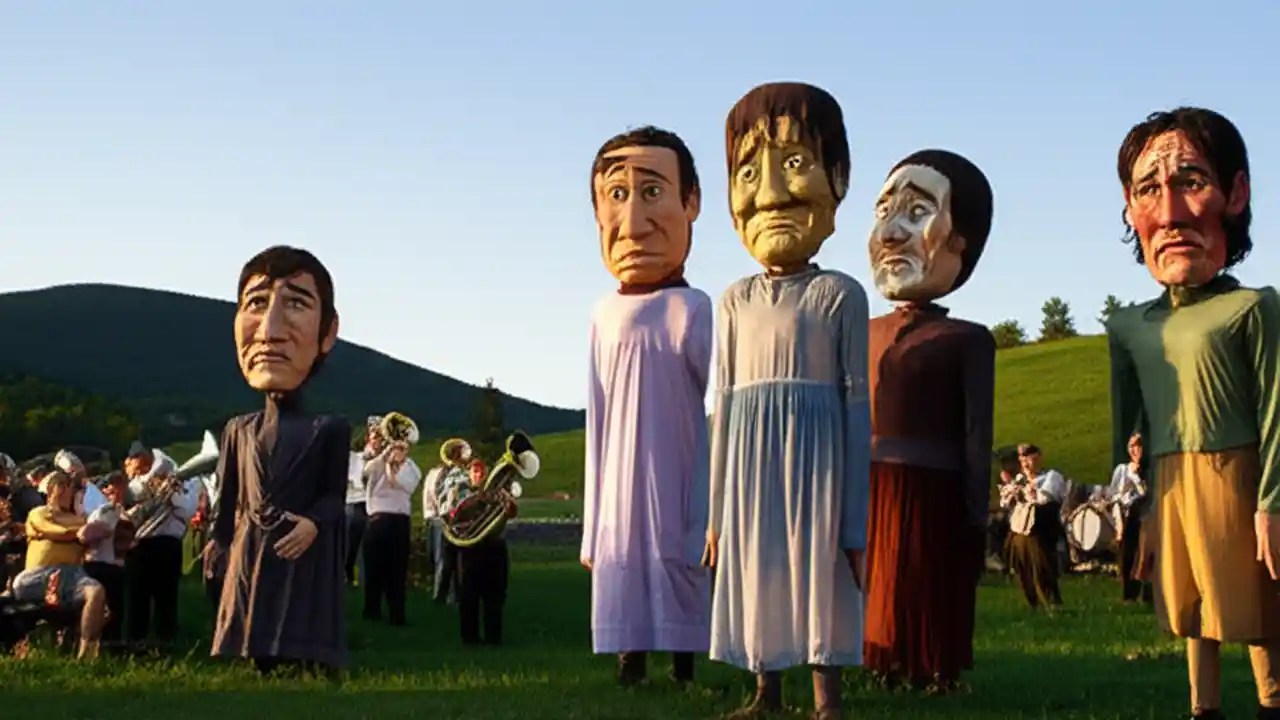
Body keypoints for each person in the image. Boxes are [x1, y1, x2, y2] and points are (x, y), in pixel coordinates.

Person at [1106, 107, 1280, 720]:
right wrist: (1139, 504)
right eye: (1149, 189)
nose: (1172, 214)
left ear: (1235, 192)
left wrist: (1272, 502)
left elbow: (1277, 409)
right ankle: (1201, 707)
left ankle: (1271, 699)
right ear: (1131, 208)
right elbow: (1129, 425)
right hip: (1170, 481)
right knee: (1191, 604)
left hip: (1239, 473)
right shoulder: (1129, 326)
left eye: (1191, 181)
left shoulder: (1253, 307)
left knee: (1256, 601)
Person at [704, 81, 869, 720]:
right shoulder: (735, 299)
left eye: (795, 164)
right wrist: (716, 511)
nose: (770, 191)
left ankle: (828, 698)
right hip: (748, 456)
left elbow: (857, 404)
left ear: (837, 178)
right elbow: (723, 400)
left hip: (816, 456)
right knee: (758, 565)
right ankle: (765, 687)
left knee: (822, 566)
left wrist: (854, 515)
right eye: (749, 172)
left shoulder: (840, 295)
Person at [581, 124, 712, 688]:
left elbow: (722, 405)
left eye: (653, 191)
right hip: (615, 478)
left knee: (675, 559)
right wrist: (590, 524)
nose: (632, 220)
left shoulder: (695, 308)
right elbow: (596, 413)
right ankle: (628, 659)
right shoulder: (602, 314)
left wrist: (713, 504)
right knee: (622, 562)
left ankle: (684, 663)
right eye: (615, 195)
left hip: (678, 468)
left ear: (691, 203)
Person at [862, 149, 995, 692]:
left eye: (917, 212)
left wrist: (974, 509)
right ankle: (880, 660)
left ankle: (933, 666)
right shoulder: (860, 331)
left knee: (929, 577)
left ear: (959, 237)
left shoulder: (967, 339)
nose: (891, 232)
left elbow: (976, 431)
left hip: (935, 488)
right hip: (870, 484)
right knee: (878, 582)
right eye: (884, 211)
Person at [205, 244, 349, 675]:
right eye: (256, 304)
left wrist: (313, 523)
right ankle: (256, 652)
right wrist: (218, 538)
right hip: (252, 541)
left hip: (300, 542)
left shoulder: (330, 427)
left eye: (297, 304)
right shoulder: (238, 429)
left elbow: (333, 493)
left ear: (327, 332)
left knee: (302, 599)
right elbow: (227, 495)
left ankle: (308, 654)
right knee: (253, 598)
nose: (269, 330)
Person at [10, 471, 107, 660]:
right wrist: (81, 533)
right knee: (21, 585)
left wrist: (91, 529)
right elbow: (56, 532)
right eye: (60, 486)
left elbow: (100, 531)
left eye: (69, 488)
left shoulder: (80, 518)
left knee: (96, 592)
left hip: (73, 575)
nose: (65, 492)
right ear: (49, 490)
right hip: (38, 575)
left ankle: (86, 655)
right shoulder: (39, 513)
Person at [125, 450, 199, 650]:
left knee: (166, 595)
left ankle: (165, 641)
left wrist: (170, 492)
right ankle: (135, 641)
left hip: (168, 545)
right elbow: (131, 500)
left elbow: (187, 511)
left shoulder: (183, 487)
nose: (152, 473)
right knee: (138, 595)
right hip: (141, 544)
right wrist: (154, 489)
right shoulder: (136, 485)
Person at [361, 428, 421, 625]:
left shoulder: (412, 468)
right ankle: (372, 611)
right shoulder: (377, 463)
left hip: (399, 521)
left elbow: (405, 486)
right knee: (373, 569)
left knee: (397, 570)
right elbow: (366, 473)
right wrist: (385, 456)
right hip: (377, 520)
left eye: (403, 447)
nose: (399, 450)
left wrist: (397, 465)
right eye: (397, 446)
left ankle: (397, 614)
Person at [455, 457, 516, 646]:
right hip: (470, 547)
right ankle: (469, 639)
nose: (478, 475)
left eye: (481, 472)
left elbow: (512, 512)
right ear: (469, 474)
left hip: (494, 546)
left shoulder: (498, 493)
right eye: (475, 472)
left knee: (495, 595)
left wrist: (508, 504)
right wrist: (478, 499)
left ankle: (494, 638)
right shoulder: (461, 493)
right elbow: (454, 515)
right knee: (468, 595)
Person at [1002, 444, 1066, 609]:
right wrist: (1012, 494)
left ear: (1038, 457)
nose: (1025, 463)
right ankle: (1032, 602)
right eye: (1022, 459)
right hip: (1021, 528)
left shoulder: (1052, 476)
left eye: (1028, 458)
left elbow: (1046, 498)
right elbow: (1005, 504)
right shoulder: (1019, 479)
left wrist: (1030, 491)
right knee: (1024, 568)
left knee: (1043, 566)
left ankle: (1052, 601)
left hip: (1042, 528)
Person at [80, 472, 132, 651]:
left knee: (115, 610)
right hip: (102, 565)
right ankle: (103, 647)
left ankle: (110, 646)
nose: (125, 489)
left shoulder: (118, 509)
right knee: (108, 610)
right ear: (108, 490)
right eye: (119, 486)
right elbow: (93, 536)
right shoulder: (106, 510)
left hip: (111, 565)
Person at [1106, 432, 1152, 604]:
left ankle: (1146, 593)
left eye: (1138, 446)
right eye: (1132, 446)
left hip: (1143, 514)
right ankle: (1128, 594)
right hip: (1124, 515)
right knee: (1126, 556)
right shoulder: (1122, 469)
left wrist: (1136, 474)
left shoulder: (1148, 470)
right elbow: (1113, 492)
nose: (1135, 450)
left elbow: (1145, 493)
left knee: (1144, 554)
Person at [344, 430, 367, 587]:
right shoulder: (352, 458)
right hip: (354, 504)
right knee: (350, 545)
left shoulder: (364, 458)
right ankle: (348, 576)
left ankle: (364, 579)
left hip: (371, 504)